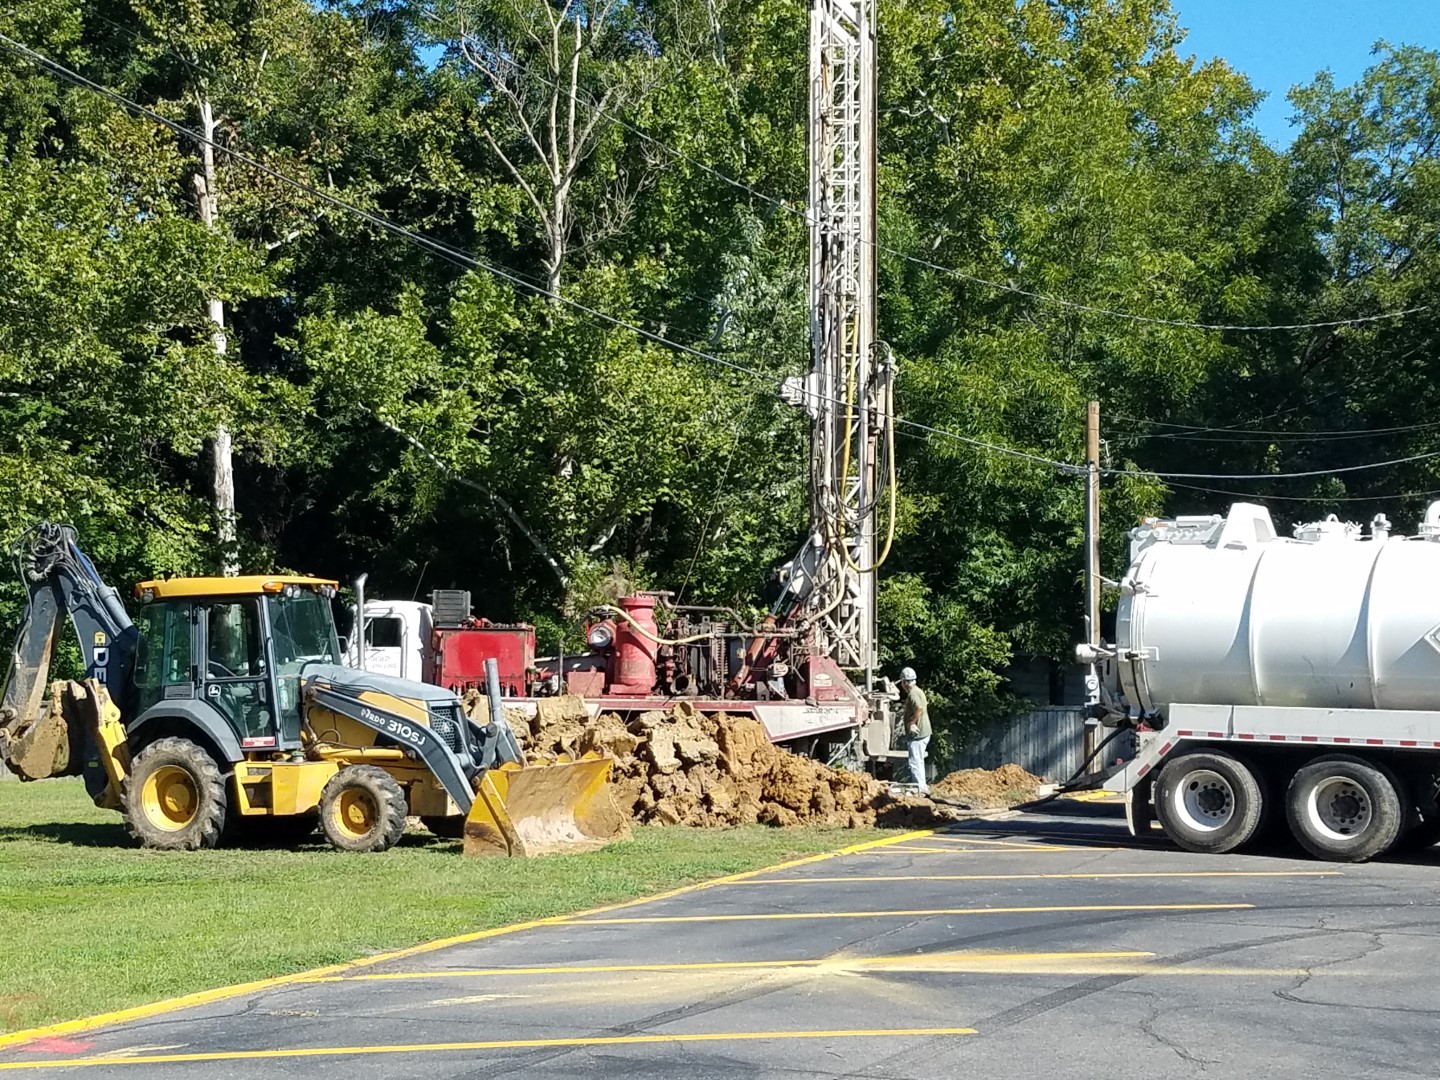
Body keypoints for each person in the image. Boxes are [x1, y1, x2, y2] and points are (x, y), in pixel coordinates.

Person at [898, 666, 931, 793]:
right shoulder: (918, 691)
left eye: (902, 682)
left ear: (905, 682)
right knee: (919, 760)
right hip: (924, 732)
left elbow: (919, 708)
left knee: (915, 761)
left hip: (918, 734)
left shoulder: (913, 694)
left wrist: (912, 722)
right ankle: (922, 786)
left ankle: (919, 788)